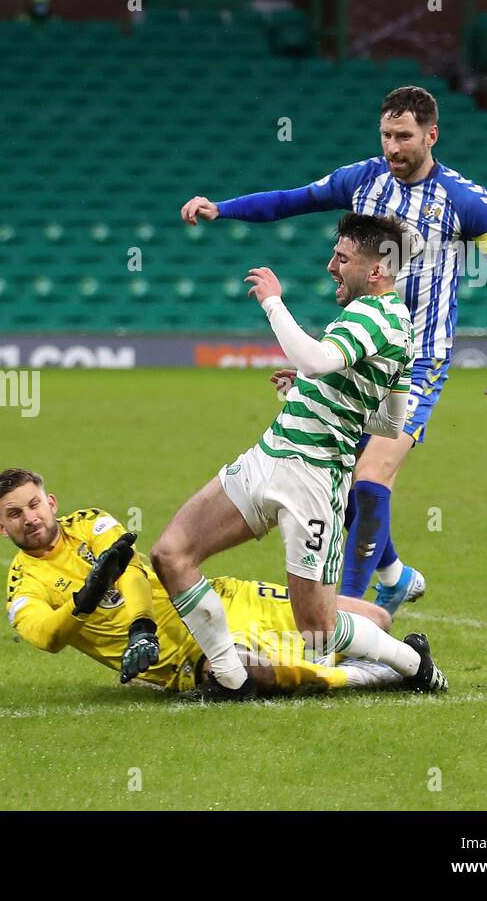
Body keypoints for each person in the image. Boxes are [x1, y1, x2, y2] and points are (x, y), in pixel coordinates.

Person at [180, 86, 487, 611]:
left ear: (431, 136)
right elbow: (291, 200)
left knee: (369, 476)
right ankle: (392, 574)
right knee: (343, 479)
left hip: (418, 359)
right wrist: (221, 209)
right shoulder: (361, 179)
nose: (393, 146)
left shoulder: (466, 202)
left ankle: (347, 612)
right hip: (360, 348)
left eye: (404, 136)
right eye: (386, 134)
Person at [151, 212, 448, 697]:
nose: (332, 265)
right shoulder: (387, 323)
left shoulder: (377, 315)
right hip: (269, 457)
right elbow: (386, 424)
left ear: (376, 270)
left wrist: (273, 304)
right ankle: (230, 677)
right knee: (171, 554)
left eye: (343, 257)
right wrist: (308, 390)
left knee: (318, 628)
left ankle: (414, 664)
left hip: (314, 481)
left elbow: (317, 358)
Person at [0, 469, 411, 696]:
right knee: (245, 672)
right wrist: (84, 600)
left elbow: (130, 570)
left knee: (376, 619)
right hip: (183, 657)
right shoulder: (22, 583)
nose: (30, 518)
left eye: (34, 504)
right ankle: (378, 677)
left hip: (211, 598)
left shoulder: (90, 522)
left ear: (50, 501)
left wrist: (140, 628)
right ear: (1, 528)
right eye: (15, 514)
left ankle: (356, 659)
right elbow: (46, 636)